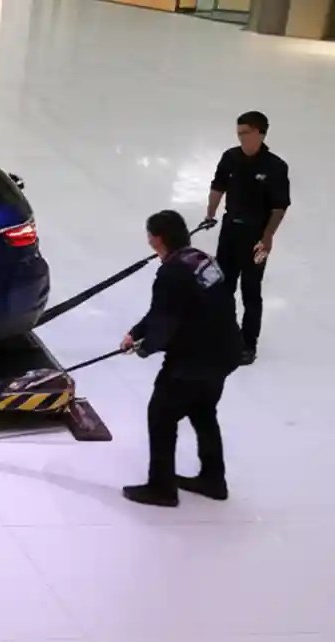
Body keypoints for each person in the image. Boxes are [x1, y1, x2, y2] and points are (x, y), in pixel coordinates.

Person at [121, 211, 243, 507]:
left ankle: (161, 488)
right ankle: (213, 479)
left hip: (194, 358)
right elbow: (172, 309)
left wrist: (145, 347)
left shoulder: (171, 273)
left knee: (161, 415)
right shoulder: (200, 259)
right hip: (226, 350)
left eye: (150, 234)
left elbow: (165, 321)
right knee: (203, 411)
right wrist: (136, 332)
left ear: (157, 239)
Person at [205, 110, 289, 366]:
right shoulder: (230, 158)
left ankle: (248, 344)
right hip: (229, 231)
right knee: (223, 287)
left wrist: (267, 237)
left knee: (251, 292)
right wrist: (210, 214)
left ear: (260, 133)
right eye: (238, 133)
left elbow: (279, 207)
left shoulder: (275, 167)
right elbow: (218, 186)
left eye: (245, 133)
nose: (240, 138)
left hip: (256, 237)